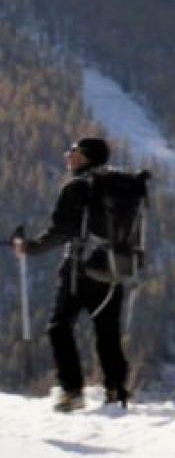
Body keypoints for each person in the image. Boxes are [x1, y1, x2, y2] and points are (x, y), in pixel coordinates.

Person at [11, 136, 130, 412]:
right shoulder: (119, 186)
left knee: (59, 327)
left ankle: (72, 390)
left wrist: (30, 248)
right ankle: (116, 391)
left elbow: (60, 231)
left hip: (78, 270)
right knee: (107, 331)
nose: (67, 155)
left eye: (72, 151)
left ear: (84, 157)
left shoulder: (76, 187)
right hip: (114, 269)